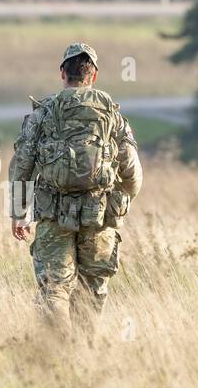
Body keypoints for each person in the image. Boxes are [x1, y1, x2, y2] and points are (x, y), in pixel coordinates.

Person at [8, 43, 142, 329]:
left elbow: (22, 165)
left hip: (53, 214)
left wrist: (19, 213)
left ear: (62, 74)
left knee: (54, 286)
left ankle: (57, 350)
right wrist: (122, 200)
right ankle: (85, 353)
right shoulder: (111, 113)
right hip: (100, 216)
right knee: (92, 289)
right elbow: (132, 169)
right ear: (92, 77)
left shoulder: (43, 113)